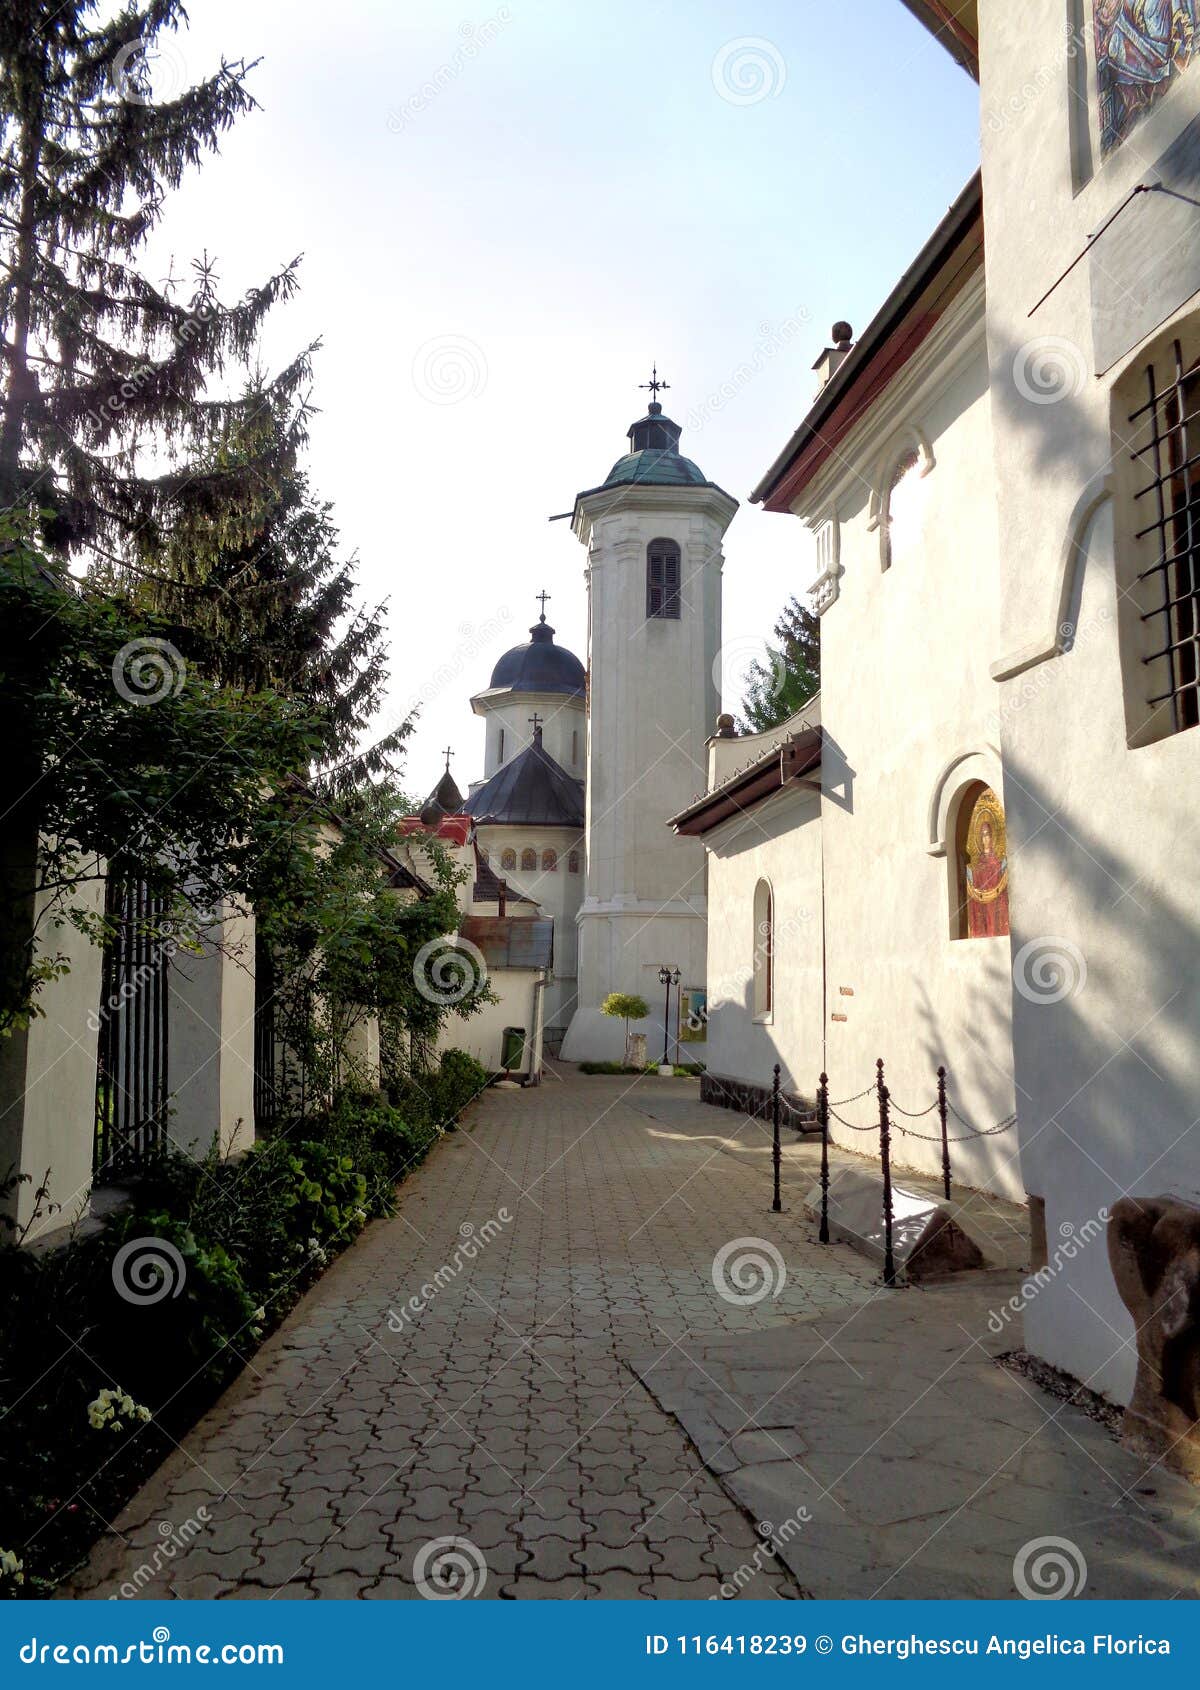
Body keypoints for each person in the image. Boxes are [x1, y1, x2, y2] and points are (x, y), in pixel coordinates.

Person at [965, 818, 1010, 939]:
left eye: (988, 834)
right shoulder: (974, 868)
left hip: (996, 912)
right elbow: (972, 891)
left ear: (993, 837)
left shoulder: (1000, 863)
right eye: (983, 835)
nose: (986, 838)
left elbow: (1003, 892)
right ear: (980, 839)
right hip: (982, 913)